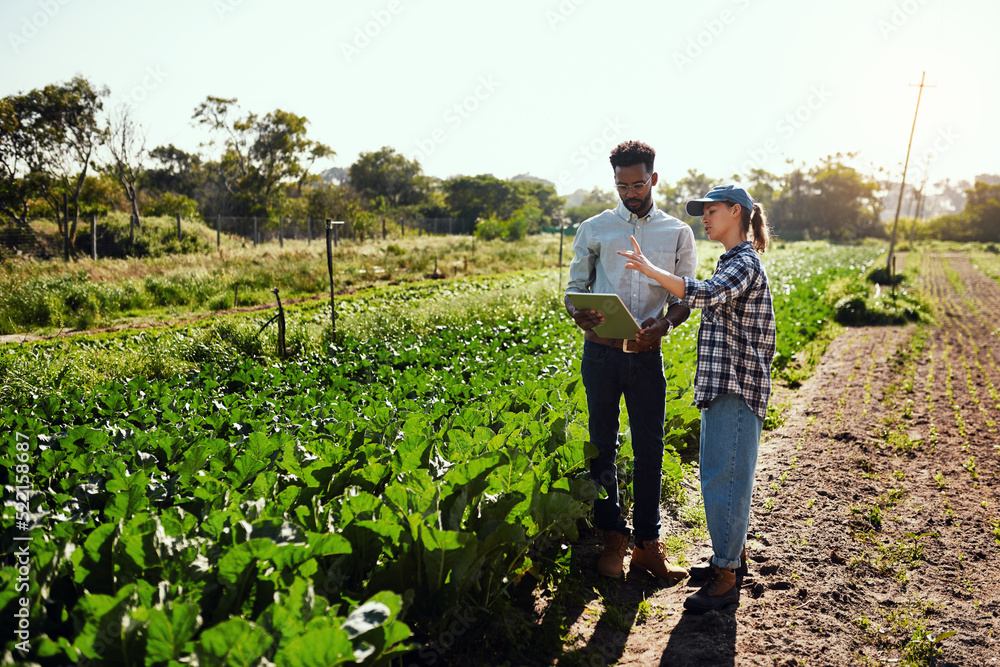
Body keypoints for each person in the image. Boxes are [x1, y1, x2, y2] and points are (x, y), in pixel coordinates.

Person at [617, 184, 775, 613]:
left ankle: (726, 575)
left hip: (737, 387)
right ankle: (730, 559)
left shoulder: (744, 263)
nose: (704, 217)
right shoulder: (733, 261)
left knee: (726, 479)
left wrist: (651, 270)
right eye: (701, 211)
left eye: (713, 210)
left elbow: (701, 294)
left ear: (738, 213)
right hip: (722, 386)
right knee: (719, 475)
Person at [564, 140, 698, 581]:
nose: (630, 192)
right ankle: (612, 539)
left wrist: (665, 325)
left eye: (638, 183)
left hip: (646, 356)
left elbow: (685, 294)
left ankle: (646, 544)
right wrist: (578, 311)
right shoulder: (595, 228)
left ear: (654, 179)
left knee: (650, 449)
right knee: (602, 446)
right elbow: (574, 290)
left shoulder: (677, 232)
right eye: (622, 185)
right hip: (600, 355)